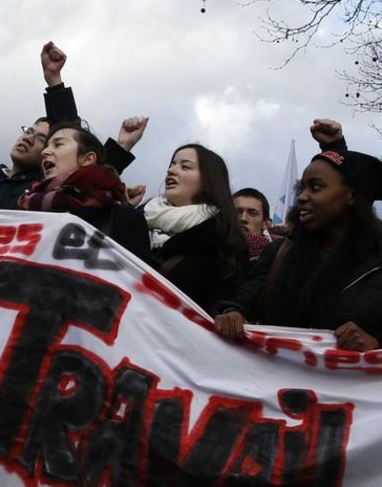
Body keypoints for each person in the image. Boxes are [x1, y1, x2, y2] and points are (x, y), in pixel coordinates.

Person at [215, 147, 382, 351]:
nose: (302, 197)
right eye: (302, 188)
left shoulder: (376, 265)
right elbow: (241, 300)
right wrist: (233, 313)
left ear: (352, 195)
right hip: (269, 380)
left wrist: (375, 343)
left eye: (316, 187)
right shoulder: (280, 252)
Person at [0, 42, 145, 209]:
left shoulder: (44, 193)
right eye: (28, 131)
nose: (28, 138)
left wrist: (54, 81)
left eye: (42, 139)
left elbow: (75, 141)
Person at [19, 123, 152, 264]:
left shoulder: (123, 220)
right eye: (47, 146)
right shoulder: (25, 211)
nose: (44, 152)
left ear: (87, 159)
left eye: (58, 145)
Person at [142, 144, 248, 312]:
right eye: (172, 164)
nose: (171, 171)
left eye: (185, 167)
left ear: (209, 180)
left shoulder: (223, 241)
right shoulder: (139, 216)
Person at [234, 187, 272, 261]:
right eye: (237, 212)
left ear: (265, 223)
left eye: (252, 213)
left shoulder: (276, 261)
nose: (243, 218)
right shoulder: (209, 254)